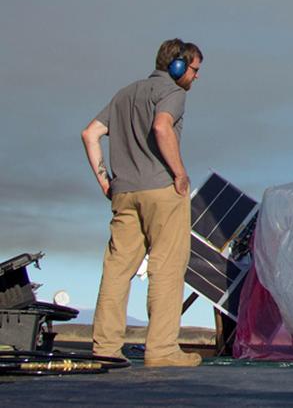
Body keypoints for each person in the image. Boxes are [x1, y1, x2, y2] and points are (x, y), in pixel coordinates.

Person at [80, 38, 204, 367]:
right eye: (194, 69)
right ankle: (162, 351)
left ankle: (105, 348)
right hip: (161, 191)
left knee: (118, 269)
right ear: (177, 66)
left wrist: (105, 181)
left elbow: (90, 134)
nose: (196, 77)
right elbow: (162, 127)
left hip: (123, 193)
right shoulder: (172, 93)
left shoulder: (124, 94)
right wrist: (179, 174)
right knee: (166, 267)